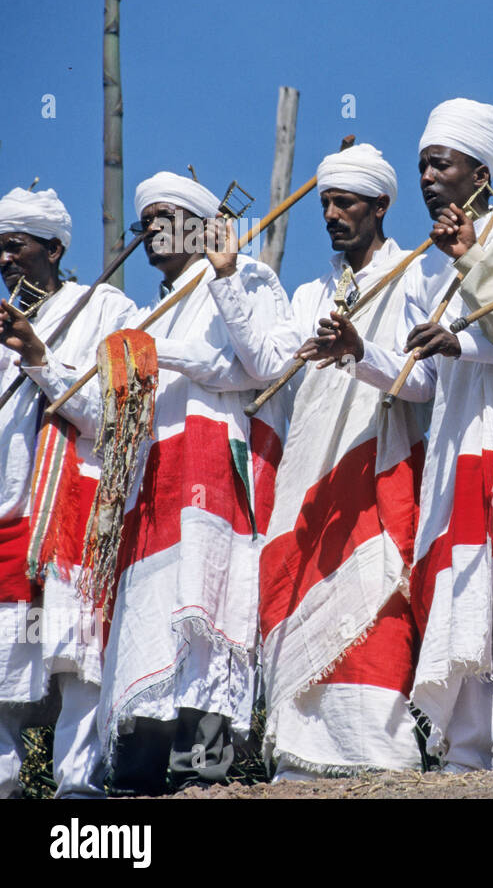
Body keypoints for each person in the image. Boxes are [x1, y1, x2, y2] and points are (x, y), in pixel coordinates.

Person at [359, 99, 493, 772]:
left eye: (439, 163)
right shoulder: (423, 265)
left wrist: (463, 339)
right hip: (456, 450)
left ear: (479, 170)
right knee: (463, 588)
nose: (426, 176)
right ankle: (466, 750)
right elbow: (420, 381)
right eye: (421, 165)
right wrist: (358, 351)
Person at [209, 144, 425, 778]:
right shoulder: (310, 292)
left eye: (346, 202)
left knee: (377, 600)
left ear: (381, 205)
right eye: (326, 202)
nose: (332, 213)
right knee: (301, 598)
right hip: (312, 472)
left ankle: (378, 756)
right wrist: (225, 276)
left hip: (379, 455)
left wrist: (363, 351)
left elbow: (430, 378)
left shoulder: (414, 273)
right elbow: (270, 363)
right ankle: (305, 761)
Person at [100, 172, 297, 794]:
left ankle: (201, 772)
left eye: (165, 218)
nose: (151, 233)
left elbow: (257, 368)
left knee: (210, 610)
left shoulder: (248, 279)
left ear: (199, 225)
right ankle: (137, 778)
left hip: (215, 466)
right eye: (144, 223)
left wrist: (168, 343)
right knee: (150, 614)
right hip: (152, 478)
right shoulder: (137, 313)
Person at [0, 187, 135, 797]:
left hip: (73, 505)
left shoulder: (103, 307)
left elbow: (114, 416)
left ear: (54, 248)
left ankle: (78, 789)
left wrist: (38, 357)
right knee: (4, 659)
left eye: (16, 246)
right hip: (7, 512)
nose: (5, 261)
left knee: (75, 652)